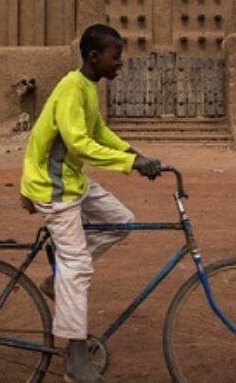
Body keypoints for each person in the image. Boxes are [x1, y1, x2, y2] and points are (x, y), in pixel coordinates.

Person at [19, 24, 162, 383]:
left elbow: (99, 133)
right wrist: (131, 164)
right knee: (79, 269)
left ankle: (58, 281)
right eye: (116, 57)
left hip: (72, 182)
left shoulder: (86, 88)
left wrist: (135, 154)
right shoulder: (71, 89)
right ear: (94, 57)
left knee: (121, 221)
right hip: (54, 189)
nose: (121, 63)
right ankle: (76, 363)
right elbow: (81, 145)